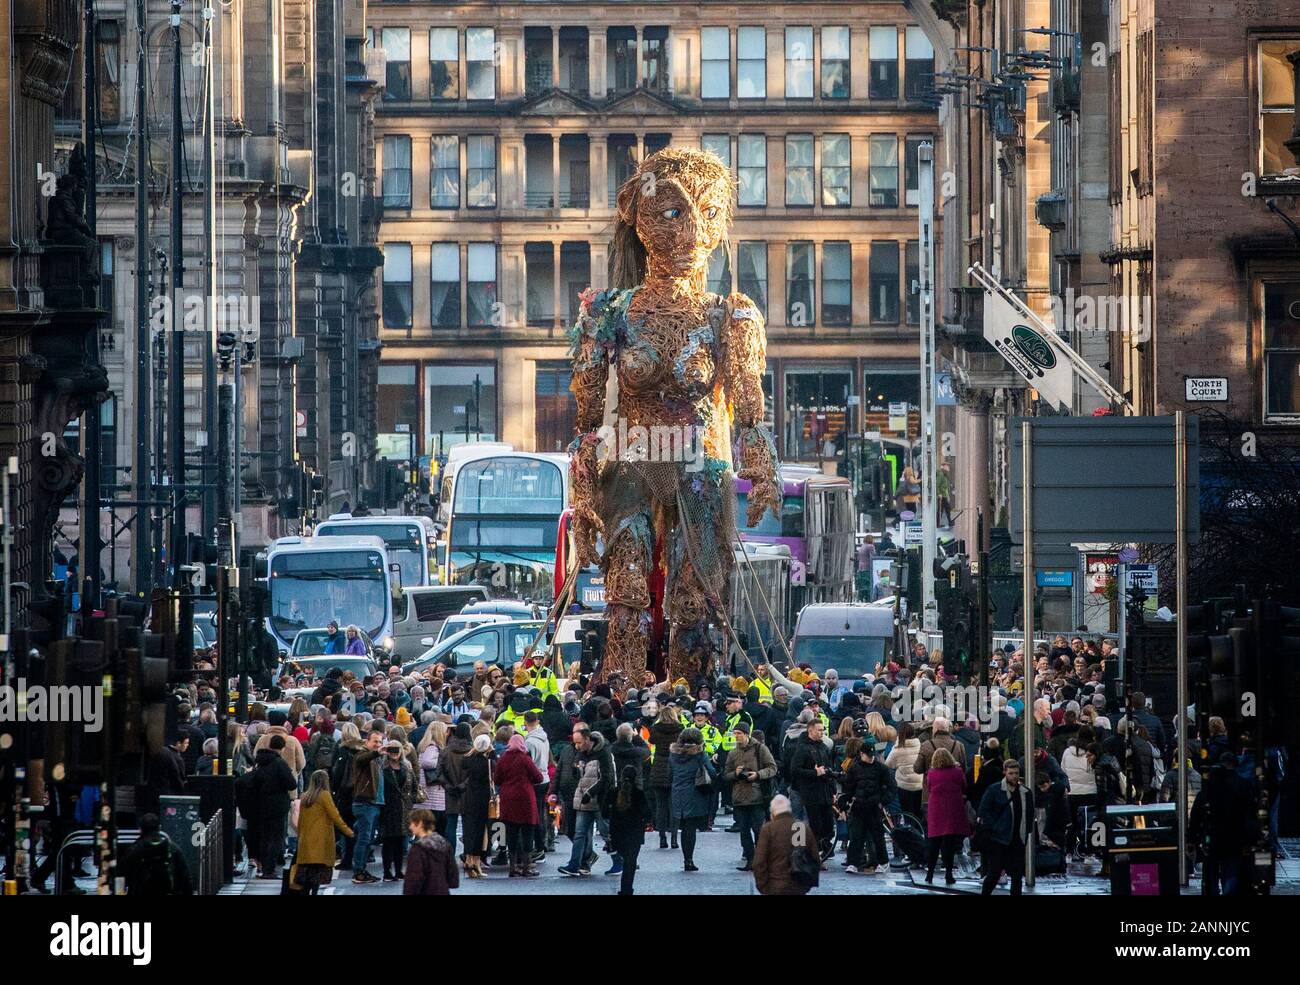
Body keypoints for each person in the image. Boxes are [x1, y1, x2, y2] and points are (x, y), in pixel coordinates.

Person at [722, 721, 777, 871]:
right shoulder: (733, 753)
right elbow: (726, 775)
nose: (736, 737)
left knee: (759, 830)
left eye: (739, 734)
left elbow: (772, 768)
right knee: (744, 831)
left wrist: (758, 775)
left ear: (746, 734)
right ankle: (750, 859)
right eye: (735, 734)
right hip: (739, 797)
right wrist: (736, 773)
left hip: (757, 796)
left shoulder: (760, 749)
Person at [560, 727, 614, 876]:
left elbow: (607, 778)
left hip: (598, 800)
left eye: (579, 743)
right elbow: (580, 774)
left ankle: (620, 860)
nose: (576, 746)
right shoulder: (581, 754)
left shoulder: (603, 753)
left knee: (606, 833)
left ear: (587, 739)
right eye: (575, 743)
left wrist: (591, 792)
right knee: (579, 833)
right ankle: (574, 864)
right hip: (584, 800)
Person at [977, 758, 1035, 895]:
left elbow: (1029, 814)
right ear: (1004, 772)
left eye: (1016, 773)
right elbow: (983, 811)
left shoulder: (1025, 792)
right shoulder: (995, 790)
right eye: (1011, 773)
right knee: (994, 873)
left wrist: (1027, 832)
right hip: (999, 840)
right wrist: (994, 828)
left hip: (1018, 840)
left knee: (1017, 876)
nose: (1014, 776)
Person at [291, 770, 352, 894]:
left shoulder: (305, 796)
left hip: (306, 840)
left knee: (307, 872)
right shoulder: (324, 795)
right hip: (321, 841)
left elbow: (301, 820)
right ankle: (314, 892)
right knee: (318, 873)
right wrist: (348, 831)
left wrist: (300, 837)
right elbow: (335, 816)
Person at [841, 734, 895, 874]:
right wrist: (847, 801)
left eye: (872, 755)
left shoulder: (881, 769)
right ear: (861, 754)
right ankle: (853, 863)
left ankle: (882, 862)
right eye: (868, 755)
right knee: (856, 837)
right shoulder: (856, 768)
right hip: (859, 806)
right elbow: (849, 787)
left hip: (873, 806)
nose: (871, 758)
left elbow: (891, 787)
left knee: (877, 837)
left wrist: (882, 801)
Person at [495, 732, 544, 877]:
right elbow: (538, 777)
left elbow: (497, 779)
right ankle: (526, 867)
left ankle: (513, 867)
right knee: (527, 832)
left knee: (511, 833)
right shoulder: (525, 759)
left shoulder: (503, 759)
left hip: (508, 799)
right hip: (525, 799)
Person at [249, 734, 297, 880]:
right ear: (282, 747)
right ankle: (269, 869)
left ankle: (263, 867)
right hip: (277, 805)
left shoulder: (260, 761)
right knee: (276, 837)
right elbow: (291, 784)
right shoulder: (279, 763)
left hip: (261, 804)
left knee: (264, 836)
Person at [668, 726, 717, 872]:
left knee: (684, 828)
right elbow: (712, 772)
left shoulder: (673, 755)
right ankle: (689, 860)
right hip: (695, 794)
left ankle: (686, 859)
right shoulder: (699, 754)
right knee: (691, 829)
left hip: (677, 793)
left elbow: (669, 774)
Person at [752, 795, 817, 896]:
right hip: (799, 886)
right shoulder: (803, 828)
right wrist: (806, 885)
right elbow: (815, 858)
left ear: (773, 812)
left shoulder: (768, 829)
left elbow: (759, 862)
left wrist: (763, 887)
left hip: (775, 885)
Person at [789, 718, 835, 860]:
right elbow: (795, 770)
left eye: (823, 730)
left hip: (825, 791)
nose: (822, 733)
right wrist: (814, 773)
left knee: (828, 826)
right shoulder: (802, 748)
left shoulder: (823, 747)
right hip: (811, 793)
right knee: (814, 825)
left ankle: (820, 851)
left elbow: (829, 770)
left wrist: (833, 791)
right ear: (810, 730)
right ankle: (812, 855)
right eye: (819, 730)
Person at [923, 747, 969, 883]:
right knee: (949, 845)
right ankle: (949, 875)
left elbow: (929, 787)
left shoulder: (931, 773)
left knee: (934, 843)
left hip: (936, 810)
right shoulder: (957, 772)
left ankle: (929, 874)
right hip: (953, 808)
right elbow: (963, 785)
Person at [120, 813, 193, 895]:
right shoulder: (172, 848)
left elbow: (123, 875)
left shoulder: (134, 850)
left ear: (140, 829)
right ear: (159, 828)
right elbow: (186, 878)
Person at [349, 730, 385, 884]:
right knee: (364, 838)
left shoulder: (376, 758)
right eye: (375, 741)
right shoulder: (361, 755)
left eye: (380, 742)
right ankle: (358, 871)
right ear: (366, 742)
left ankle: (361, 869)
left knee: (367, 838)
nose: (378, 745)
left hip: (374, 803)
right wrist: (377, 753)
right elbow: (363, 759)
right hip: (365, 803)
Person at [609, 765, 650, 895]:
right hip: (634, 833)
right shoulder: (639, 794)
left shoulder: (613, 792)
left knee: (625, 859)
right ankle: (626, 889)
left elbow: (604, 812)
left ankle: (625, 888)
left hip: (617, 833)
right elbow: (648, 814)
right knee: (630, 863)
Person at [379, 738, 417, 881]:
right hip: (387, 808)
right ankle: (387, 871)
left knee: (401, 842)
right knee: (388, 841)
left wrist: (410, 800)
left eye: (397, 749)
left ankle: (399, 870)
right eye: (391, 749)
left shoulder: (407, 766)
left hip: (403, 809)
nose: (394, 753)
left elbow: (414, 784)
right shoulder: (382, 767)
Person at [649, 705, 683, 849]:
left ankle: (662, 837)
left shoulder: (656, 729)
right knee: (674, 806)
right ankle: (674, 838)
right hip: (674, 766)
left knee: (661, 806)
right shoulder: (680, 729)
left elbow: (651, 741)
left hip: (658, 768)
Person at [403, 808, 460, 895]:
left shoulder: (418, 849)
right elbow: (453, 875)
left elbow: (414, 878)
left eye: (412, 823)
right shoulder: (444, 844)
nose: (410, 827)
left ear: (420, 823)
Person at [461, 733, 495, 877]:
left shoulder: (466, 760)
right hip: (483, 799)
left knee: (469, 831)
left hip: (468, 798)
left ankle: (468, 860)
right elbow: (494, 771)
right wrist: (492, 753)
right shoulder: (487, 762)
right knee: (480, 832)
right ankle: (476, 863)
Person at [886, 722, 924, 818]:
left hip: (904, 786)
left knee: (907, 814)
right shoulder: (920, 745)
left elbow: (888, 764)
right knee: (919, 812)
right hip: (920, 784)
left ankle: (909, 831)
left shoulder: (897, 749)